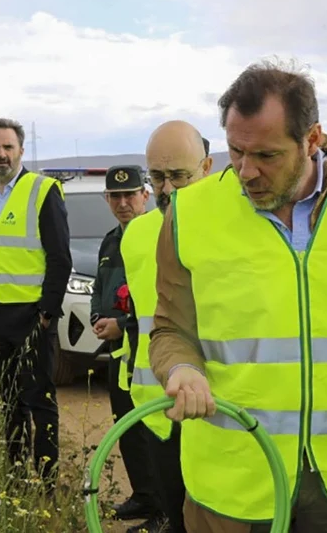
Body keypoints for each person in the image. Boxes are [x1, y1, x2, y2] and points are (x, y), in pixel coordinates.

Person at [149, 62, 327, 533]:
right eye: (235, 151)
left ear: (312, 139)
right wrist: (182, 367)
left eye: (266, 155)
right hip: (234, 487)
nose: (246, 171)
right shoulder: (188, 213)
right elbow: (169, 329)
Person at [0, 117, 72, 491]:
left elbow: (60, 257)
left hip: (31, 318)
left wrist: (47, 313)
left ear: (21, 151)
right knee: (8, 402)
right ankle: (14, 481)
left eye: (8, 147)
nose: (1, 154)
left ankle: (45, 485)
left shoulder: (43, 191)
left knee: (39, 402)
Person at [122, 121, 215, 533]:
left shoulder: (232, 229)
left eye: (179, 176)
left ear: (207, 168)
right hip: (156, 405)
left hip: (217, 407)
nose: (167, 189)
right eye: (157, 177)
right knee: (175, 516)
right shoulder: (136, 233)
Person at [88, 165, 163, 531]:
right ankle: (144, 495)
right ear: (107, 199)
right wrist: (98, 317)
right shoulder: (109, 241)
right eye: (115, 196)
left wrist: (124, 324)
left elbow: (163, 301)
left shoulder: (159, 235)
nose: (122, 203)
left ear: (144, 196)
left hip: (152, 353)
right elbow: (100, 288)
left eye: (129, 195)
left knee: (156, 433)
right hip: (119, 356)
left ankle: (165, 511)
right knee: (128, 427)